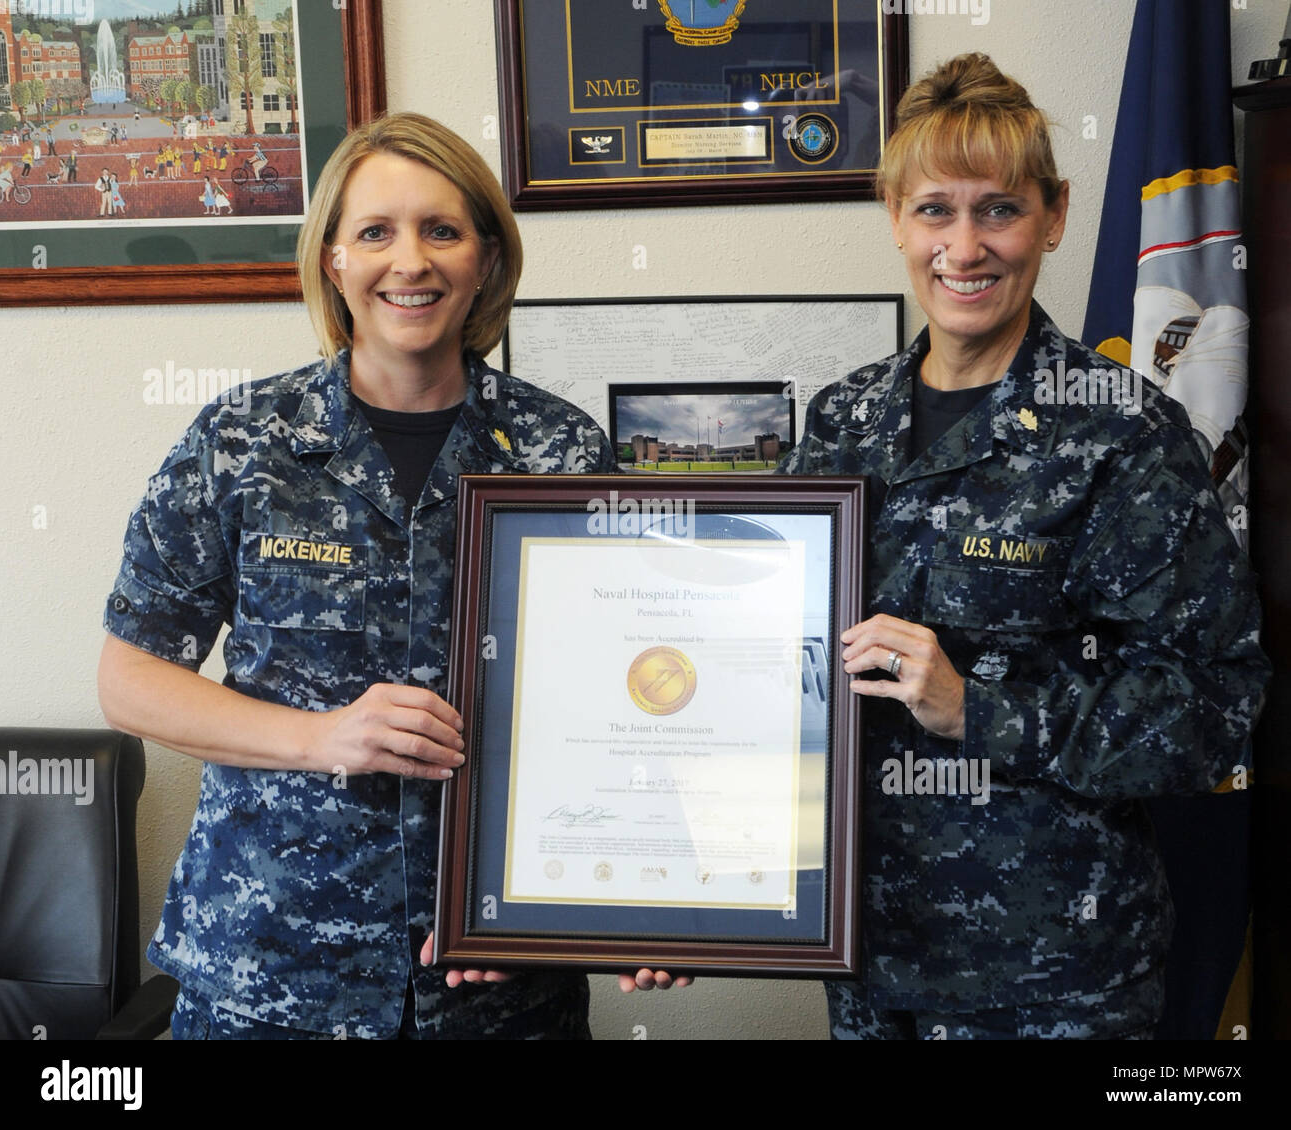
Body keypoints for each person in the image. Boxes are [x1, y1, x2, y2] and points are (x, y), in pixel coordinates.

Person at [97, 112, 675, 1040]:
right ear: (333, 261)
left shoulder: (560, 450)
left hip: (497, 983)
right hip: (270, 974)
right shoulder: (242, 440)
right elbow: (129, 681)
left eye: (442, 230)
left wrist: (653, 887)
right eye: (376, 232)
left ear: (487, 258)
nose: (410, 261)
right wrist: (321, 738)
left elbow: (628, 690)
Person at [779, 53, 1268, 1040]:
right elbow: (773, 670)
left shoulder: (1125, 432)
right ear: (892, 215)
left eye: (998, 209)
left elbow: (1217, 705)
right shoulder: (839, 421)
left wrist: (980, 707)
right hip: (864, 956)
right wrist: (686, 880)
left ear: (1053, 215)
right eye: (934, 210)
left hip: (1051, 978)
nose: (964, 247)